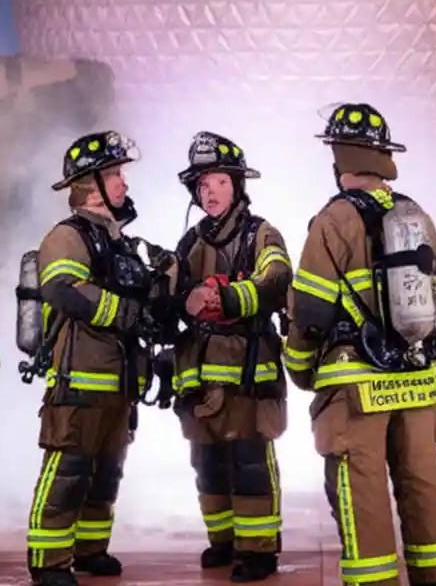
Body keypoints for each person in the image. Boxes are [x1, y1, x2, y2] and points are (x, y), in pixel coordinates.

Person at [285, 103, 436, 586]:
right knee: (421, 479)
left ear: (340, 158)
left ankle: (373, 580)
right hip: (417, 378)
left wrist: (298, 366)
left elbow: (312, 312)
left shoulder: (333, 219)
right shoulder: (417, 216)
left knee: (360, 486)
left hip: (356, 384)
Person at [24, 130, 174, 586]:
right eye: (114, 175)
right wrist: (127, 313)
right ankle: (48, 561)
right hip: (80, 379)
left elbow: (142, 297)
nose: (124, 183)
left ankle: (90, 550)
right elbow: (64, 290)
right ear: (90, 186)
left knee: (106, 473)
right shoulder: (67, 236)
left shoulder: (120, 242)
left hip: (118, 383)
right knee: (68, 471)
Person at [170, 131, 293, 582]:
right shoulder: (190, 242)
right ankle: (222, 540)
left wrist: (226, 297)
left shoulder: (262, 234)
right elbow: (173, 297)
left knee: (249, 459)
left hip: (247, 374)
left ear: (237, 185)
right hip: (199, 377)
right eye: (202, 184)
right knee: (207, 462)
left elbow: (277, 278)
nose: (210, 192)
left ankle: (258, 551)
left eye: (220, 181)